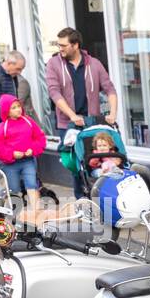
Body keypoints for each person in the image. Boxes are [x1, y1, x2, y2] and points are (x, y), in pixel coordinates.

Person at [46, 27, 118, 196]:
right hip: (68, 124)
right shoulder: (54, 64)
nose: (60, 49)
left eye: (63, 45)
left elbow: (110, 89)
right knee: (75, 165)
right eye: (58, 45)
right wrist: (72, 116)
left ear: (75, 45)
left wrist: (112, 113)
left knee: (96, 162)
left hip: (91, 123)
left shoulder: (94, 64)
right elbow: (54, 92)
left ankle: (101, 197)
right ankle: (81, 200)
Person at [0, 94, 47, 217]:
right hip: (11, 165)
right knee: (14, 189)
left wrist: (33, 149)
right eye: (13, 108)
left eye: (18, 106)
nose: (18, 109)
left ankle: (37, 213)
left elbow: (39, 138)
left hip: (28, 161)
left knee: (32, 184)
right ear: (6, 111)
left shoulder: (28, 122)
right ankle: (17, 215)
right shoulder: (3, 127)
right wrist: (12, 153)